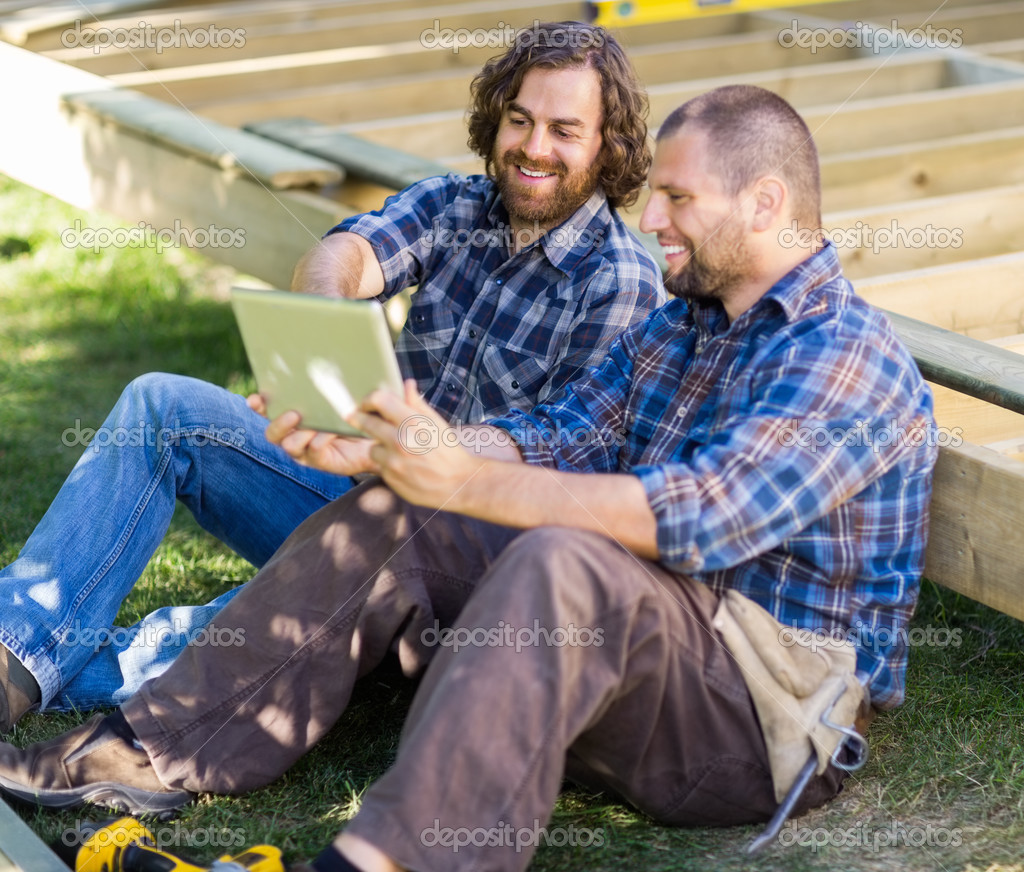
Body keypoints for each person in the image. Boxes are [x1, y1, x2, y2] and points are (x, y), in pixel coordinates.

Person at [0, 85, 938, 872]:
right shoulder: (683, 329)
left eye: (678, 199)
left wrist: (460, 480)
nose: (652, 219)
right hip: (642, 656)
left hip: (765, 717)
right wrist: (392, 453)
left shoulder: (845, 356)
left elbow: (702, 516)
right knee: (412, 513)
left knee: (566, 563)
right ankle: (146, 752)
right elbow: (558, 434)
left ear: (767, 203)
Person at [0, 21, 664, 728]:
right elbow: (344, 253)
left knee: (249, 621)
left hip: (453, 567)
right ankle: (15, 653)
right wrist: (322, 324)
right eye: (520, 119)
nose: (534, 147)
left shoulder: (620, 284)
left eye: (564, 130)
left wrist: (415, 452)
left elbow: (561, 459)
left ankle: (90, 669)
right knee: (162, 404)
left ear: (607, 145)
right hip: (360, 483)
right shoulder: (455, 205)